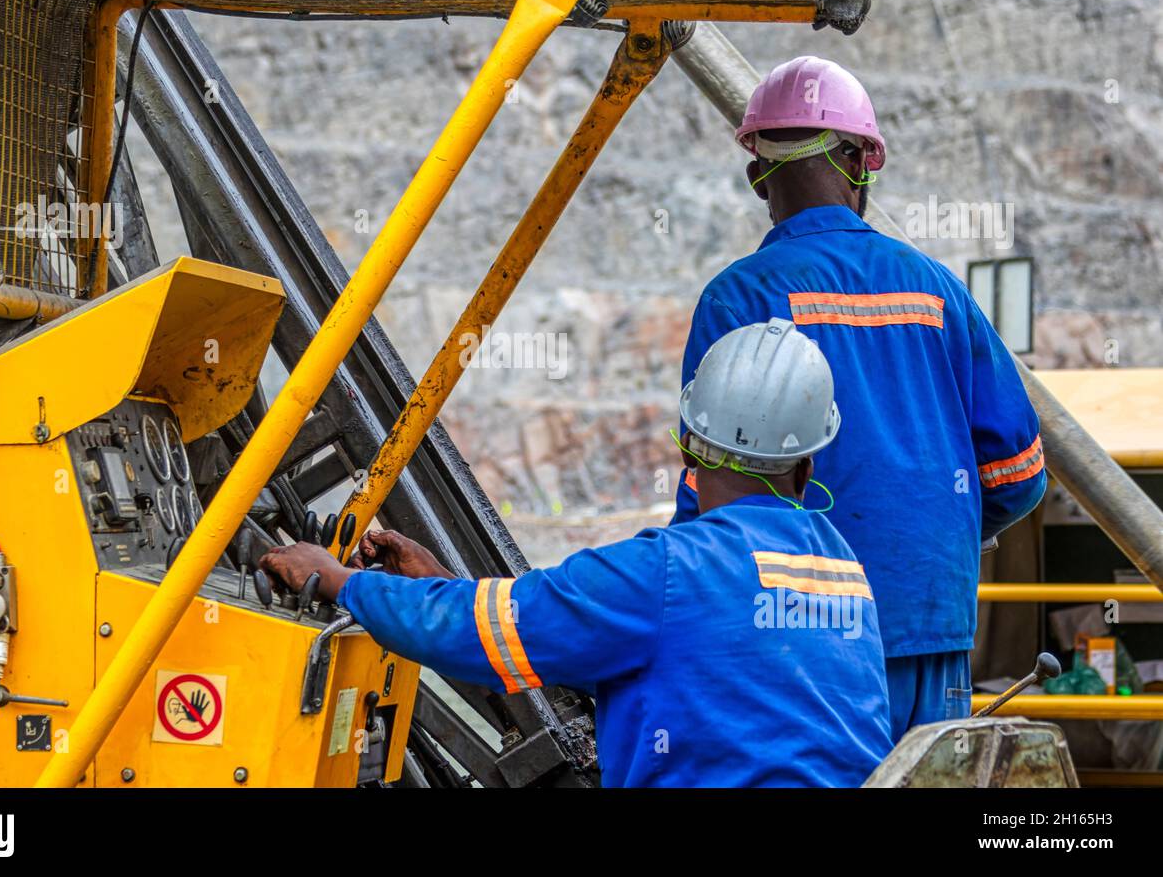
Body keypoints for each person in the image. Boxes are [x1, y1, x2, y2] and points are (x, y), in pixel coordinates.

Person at [262, 321, 894, 787]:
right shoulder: (843, 571)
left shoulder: (670, 570)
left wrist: (341, 580)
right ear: (808, 464)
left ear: (688, 449)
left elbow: (494, 635)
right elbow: (677, 659)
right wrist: (445, 582)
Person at [673, 55, 1046, 739]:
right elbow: (1020, 477)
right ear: (861, 165)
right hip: (934, 622)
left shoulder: (740, 297)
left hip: (797, 630)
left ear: (758, 175)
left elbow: (712, 488)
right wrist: (940, 525)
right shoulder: (937, 291)